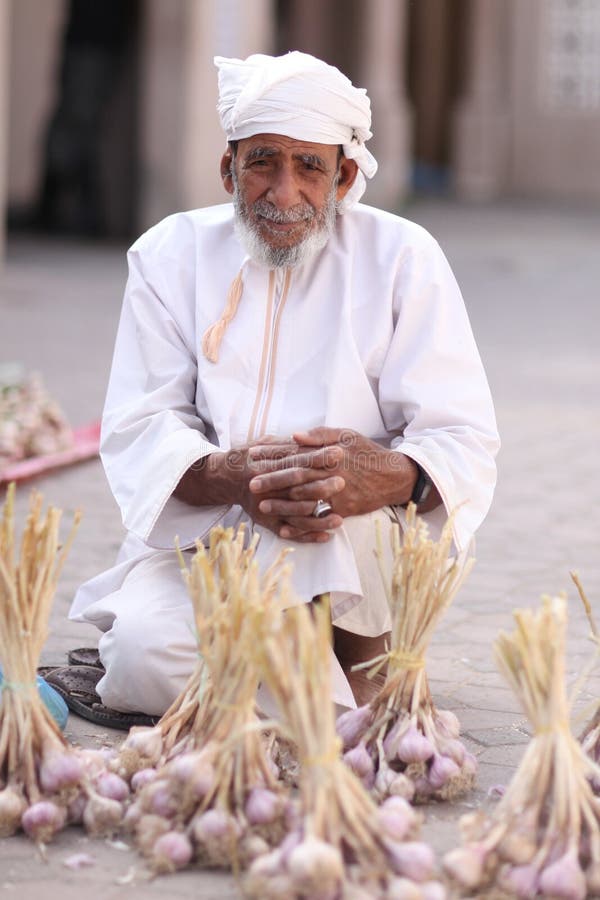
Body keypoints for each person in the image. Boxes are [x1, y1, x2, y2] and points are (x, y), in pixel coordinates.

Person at [50, 52, 499, 728]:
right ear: (228, 169)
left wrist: (381, 475)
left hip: (354, 539)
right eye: (262, 162)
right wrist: (234, 476)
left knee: (343, 553)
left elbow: (461, 436)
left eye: (309, 166)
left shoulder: (402, 257)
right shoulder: (170, 254)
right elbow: (141, 423)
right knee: (142, 661)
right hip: (212, 539)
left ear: (343, 176)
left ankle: (340, 660)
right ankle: (350, 691)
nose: (283, 193)